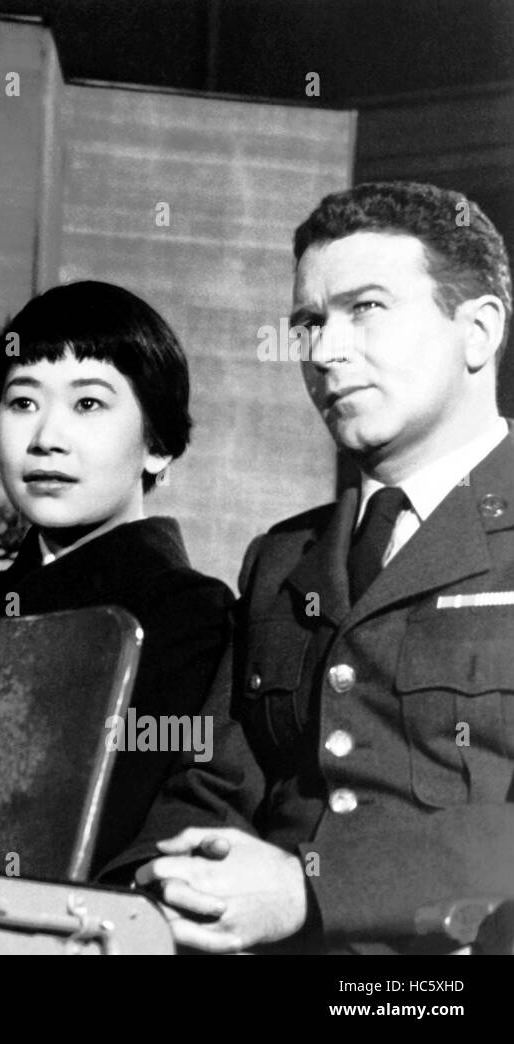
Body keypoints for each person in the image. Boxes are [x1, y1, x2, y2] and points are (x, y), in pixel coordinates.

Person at [114, 181, 514, 954]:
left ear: (478, 331)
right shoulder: (285, 557)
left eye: (366, 309)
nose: (325, 353)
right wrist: (138, 897)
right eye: (310, 322)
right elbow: (217, 786)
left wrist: (312, 888)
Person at [0, 280, 234, 872]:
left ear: (158, 445)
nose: (46, 440)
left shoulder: (189, 615)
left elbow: (119, 834)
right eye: (22, 403)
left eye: (88, 404)